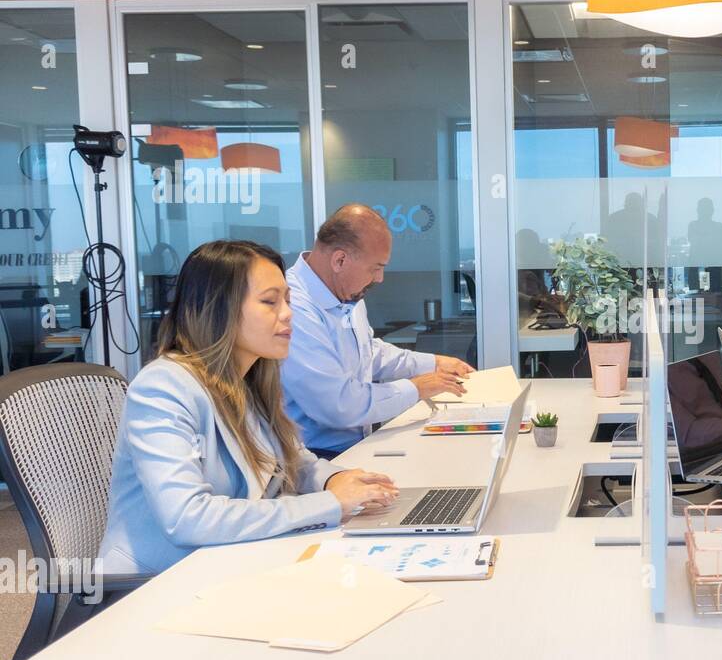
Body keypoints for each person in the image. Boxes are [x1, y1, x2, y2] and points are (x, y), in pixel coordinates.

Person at [100, 241, 400, 577]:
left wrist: (335, 479)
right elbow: (188, 518)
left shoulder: (248, 379)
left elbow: (293, 461)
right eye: (270, 301)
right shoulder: (163, 388)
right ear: (218, 309)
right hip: (160, 583)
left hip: (234, 563)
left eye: (286, 299)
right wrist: (329, 504)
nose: (288, 313)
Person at [281, 205, 475, 458]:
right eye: (375, 268)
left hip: (357, 445)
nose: (380, 278)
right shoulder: (293, 306)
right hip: (314, 459)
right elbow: (338, 405)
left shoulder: (346, 293)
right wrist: (416, 387)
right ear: (340, 260)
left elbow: (368, 353)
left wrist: (433, 363)